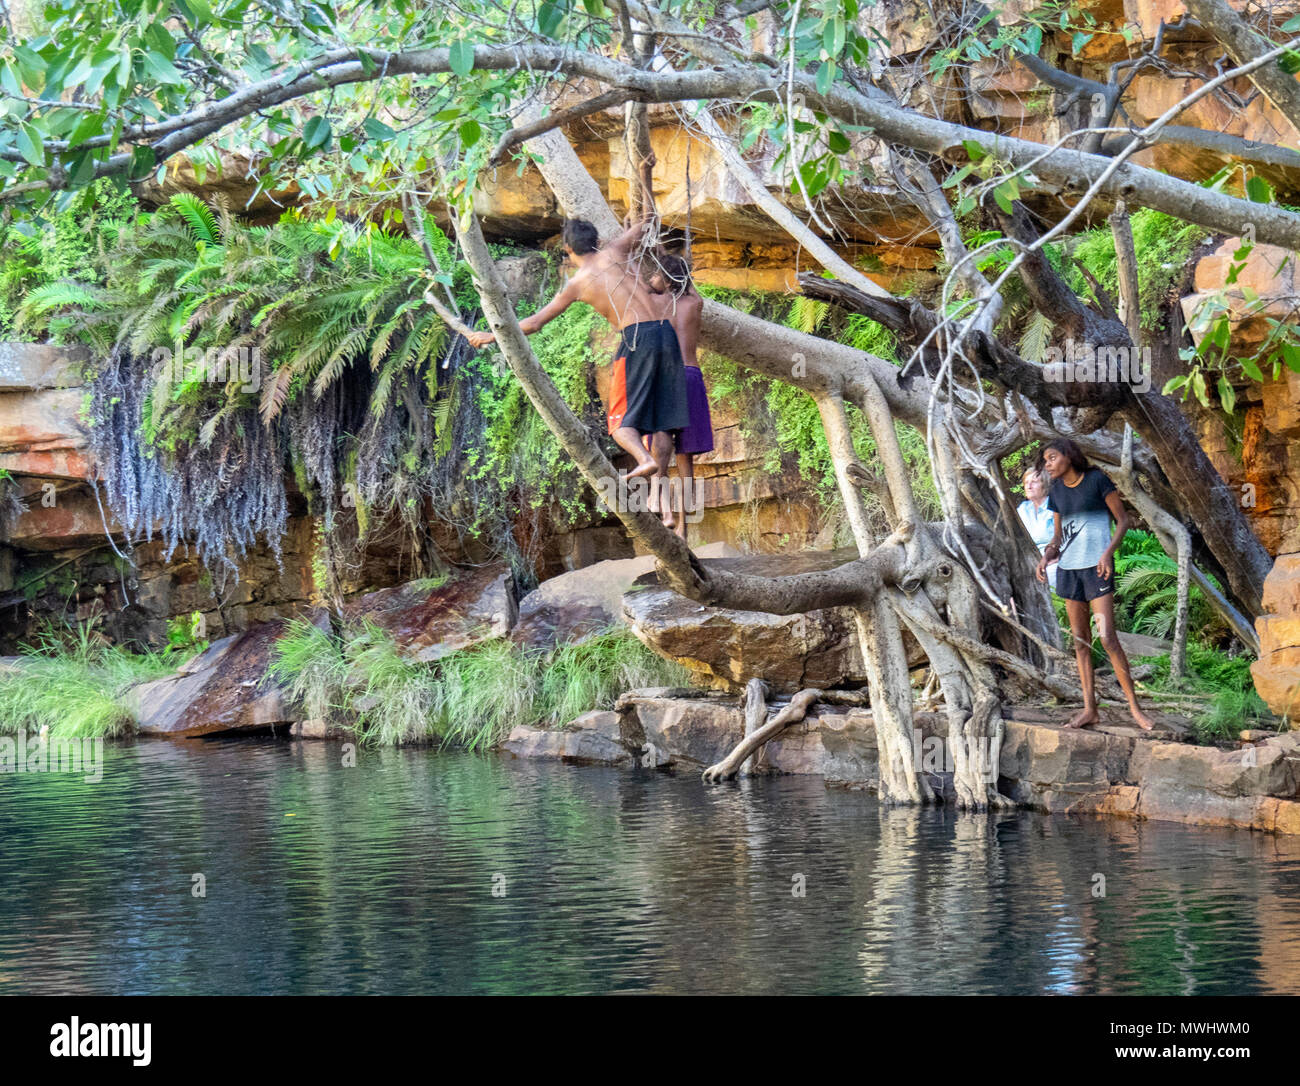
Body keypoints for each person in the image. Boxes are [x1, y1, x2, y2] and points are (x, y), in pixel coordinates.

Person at [464, 216, 689, 519]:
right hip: (665, 333)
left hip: (637, 340)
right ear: (597, 241)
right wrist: (638, 203)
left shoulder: (578, 284)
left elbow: (535, 322)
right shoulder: (616, 252)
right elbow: (645, 224)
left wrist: (489, 335)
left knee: (620, 424)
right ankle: (662, 505)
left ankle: (643, 460)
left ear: (568, 248)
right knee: (662, 422)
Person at [1034, 438, 1155, 732]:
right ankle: (1090, 710)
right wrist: (1046, 556)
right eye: (1045, 461)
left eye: (1051, 458)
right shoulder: (1057, 493)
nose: (1047, 464)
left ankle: (1136, 710)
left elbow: (1123, 521)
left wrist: (1107, 553)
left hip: (1096, 571)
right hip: (1069, 572)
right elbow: (1058, 538)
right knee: (1080, 641)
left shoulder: (1097, 480)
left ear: (1069, 457)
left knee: (1107, 638)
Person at [647, 251, 712, 543]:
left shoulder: (656, 302)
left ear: (667, 279)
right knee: (686, 460)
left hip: (666, 377)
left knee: (658, 448)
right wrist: (679, 273)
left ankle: (662, 506)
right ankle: (684, 531)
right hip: (691, 376)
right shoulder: (695, 303)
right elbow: (690, 287)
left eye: (657, 273)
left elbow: (644, 286)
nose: (652, 278)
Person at [1016, 466, 1057, 592]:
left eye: (1034, 482)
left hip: (1053, 562)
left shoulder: (1054, 506)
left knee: (1049, 575)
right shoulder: (1023, 509)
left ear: (1045, 485)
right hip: (1028, 562)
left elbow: (1067, 536)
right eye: (1026, 483)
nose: (1029, 486)